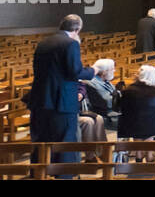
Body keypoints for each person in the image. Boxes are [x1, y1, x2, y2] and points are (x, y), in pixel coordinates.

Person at [29, 15, 95, 165]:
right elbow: (75, 72)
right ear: (77, 29)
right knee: (65, 144)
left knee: (41, 143)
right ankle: (64, 175)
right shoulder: (70, 43)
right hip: (62, 103)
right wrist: (94, 71)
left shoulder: (43, 43)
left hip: (41, 101)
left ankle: (38, 174)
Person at [117, 65, 155, 145]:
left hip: (131, 126)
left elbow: (121, 107)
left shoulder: (128, 91)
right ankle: (149, 152)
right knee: (152, 119)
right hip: (154, 125)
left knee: (136, 120)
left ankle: (138, 153)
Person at [82, 58, 120, 130]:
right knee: (138, 119)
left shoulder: (105, 80)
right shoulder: (91, 83)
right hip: (107, 116)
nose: (114, 71)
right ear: (104, 72)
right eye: (112, 69)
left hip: (115, 112)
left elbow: (116, 96)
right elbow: (107, 103)